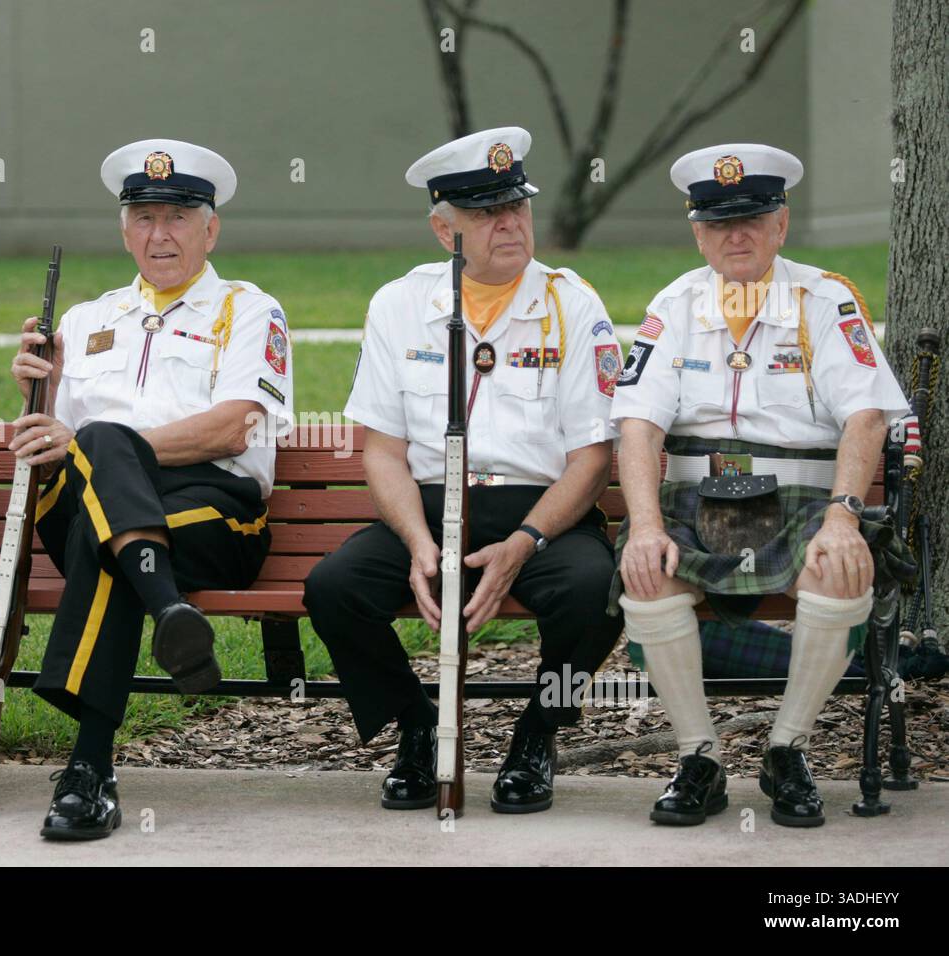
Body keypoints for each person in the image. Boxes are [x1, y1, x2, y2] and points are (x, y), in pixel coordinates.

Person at [303, 128, 625, 814]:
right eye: (485, 213)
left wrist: (523, 544)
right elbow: (382, 451)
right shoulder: (400, 305)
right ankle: (417, 727)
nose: (509, 223)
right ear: (443, 229)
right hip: (428, 508)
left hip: (543, 517)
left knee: (596, 591)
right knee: (334, 588)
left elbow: (593, 457)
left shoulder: (574, 305)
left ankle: (539, 733)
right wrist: (420, 543)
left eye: (517, 207)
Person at [611, 143, 913, 827]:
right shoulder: (675, 303)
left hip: (801, 500)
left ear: (782, 224)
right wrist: (648, 525)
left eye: (754, 219)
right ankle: (698, 760)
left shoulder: (824, 300)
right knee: (649, 571)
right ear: (698, 232)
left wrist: (842, 516)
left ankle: (788, 750)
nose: (736, 236)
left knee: (840, 568)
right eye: (719, 224)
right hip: (698, 498)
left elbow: (866, 416)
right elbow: (636, 425)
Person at [10, 138, 294, 840]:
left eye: (177, 217)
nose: (159, 234)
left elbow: (234, 429)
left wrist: (93, 445)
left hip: (212, 514)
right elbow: (55, 455)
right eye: (143, 217)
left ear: (210, 227)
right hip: (96, 502)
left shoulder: (248, 310)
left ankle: (88, 770)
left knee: (104, 504)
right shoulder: (83, 321)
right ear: (123, 227)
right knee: (98, 472)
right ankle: (169, 612)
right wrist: (35, 396)